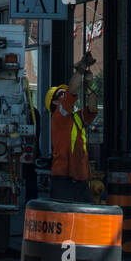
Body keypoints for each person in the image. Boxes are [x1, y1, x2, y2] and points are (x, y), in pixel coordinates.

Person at [46, 52, 98, 203]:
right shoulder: (58, 117)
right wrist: (81, 69)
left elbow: (93, 108)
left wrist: (90, 85)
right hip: (63, 179)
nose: (65, 95)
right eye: (61, 94)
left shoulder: (76, 118)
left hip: (80, 179)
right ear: (55, 103)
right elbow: (72, 92)